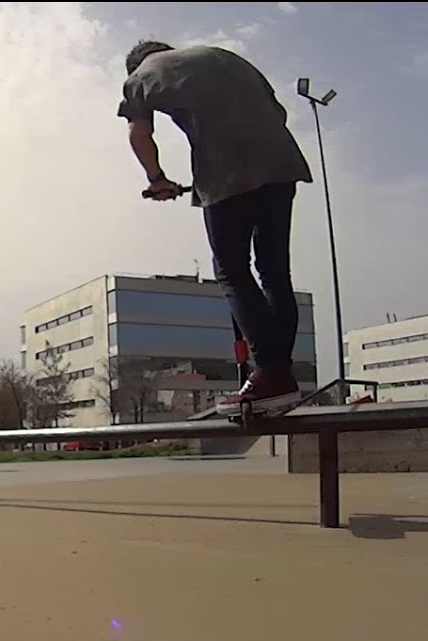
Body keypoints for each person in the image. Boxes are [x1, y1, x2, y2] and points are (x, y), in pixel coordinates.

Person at [116, 40, 314, 415]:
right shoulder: (221, 55)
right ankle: (278, 376)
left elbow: (139, 134)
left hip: (226, 173)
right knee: (274, 272)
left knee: (231, 270)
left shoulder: (140, 76)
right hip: (281, 163)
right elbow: (279, 112)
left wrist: (158, 178)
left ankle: (271, 373)